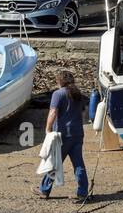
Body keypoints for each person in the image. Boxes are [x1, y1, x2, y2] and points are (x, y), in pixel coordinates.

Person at [38, 69, 89, 201]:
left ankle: (44, 190)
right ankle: (82, 191)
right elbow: (84, 113)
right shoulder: (79, 95)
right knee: (78, 163)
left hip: (63, 134)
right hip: (77, 133)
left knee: (54, 162)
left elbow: (53, 112)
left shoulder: (58, 94)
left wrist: (48, 129)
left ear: (60, 81)